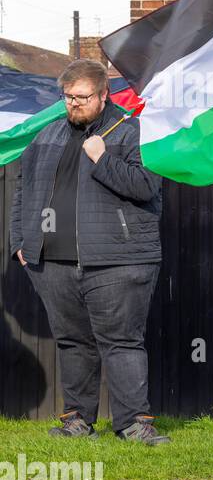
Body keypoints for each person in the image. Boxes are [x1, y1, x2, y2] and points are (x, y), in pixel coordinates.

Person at [8, 59, 168, 444]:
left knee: (122, 342)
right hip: (53, 262)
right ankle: (77, 420)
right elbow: (23, 192)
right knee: (72, 342)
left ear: (103, 95)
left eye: (82, 97)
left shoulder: (133, 132)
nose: (74, 104)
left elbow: (146, 187)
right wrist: (20, 243)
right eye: (68, 97)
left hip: (118, 260)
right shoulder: (46, 135)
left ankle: (134, 424)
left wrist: (102, 158)